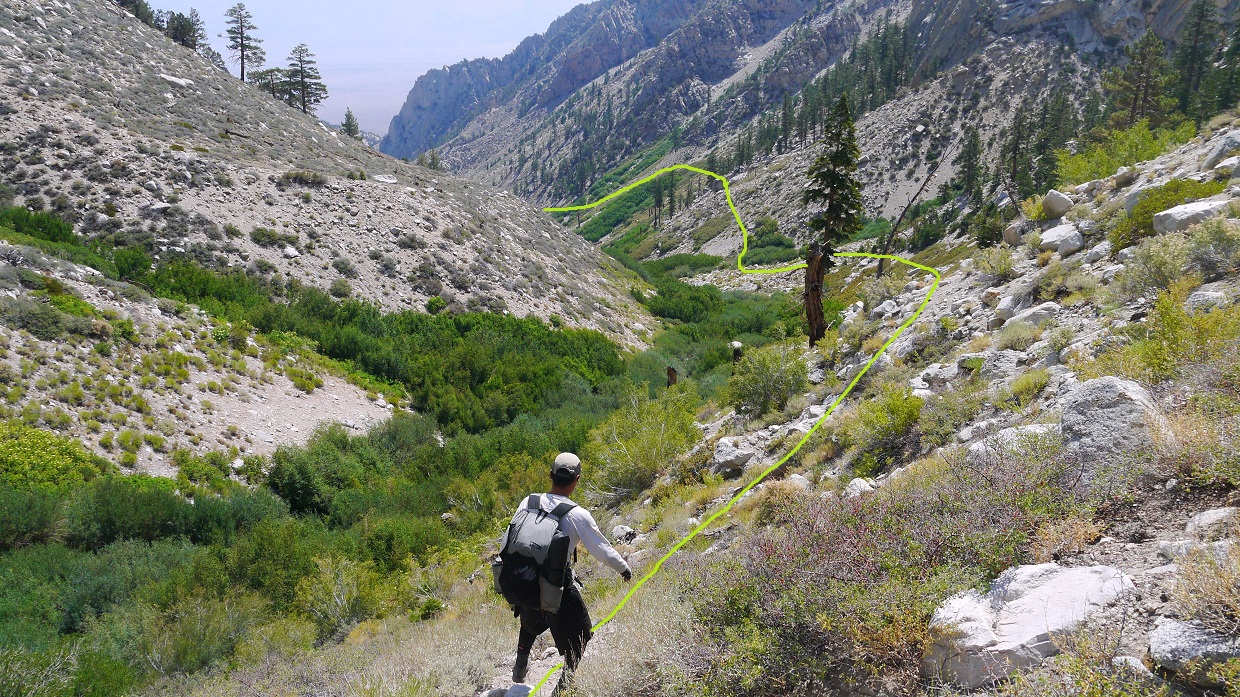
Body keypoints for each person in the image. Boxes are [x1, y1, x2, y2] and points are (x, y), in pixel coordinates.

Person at [500, 452, 632, 689]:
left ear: (550, 475)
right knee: (581, 634)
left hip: (524, 576)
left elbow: (511, 536)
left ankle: (520, 666)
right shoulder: (577, 514)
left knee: (530, 617)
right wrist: (624, 569)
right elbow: (602, 550)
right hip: (557, 583)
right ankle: (563, 688)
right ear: (576, 479)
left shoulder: (528, 501)